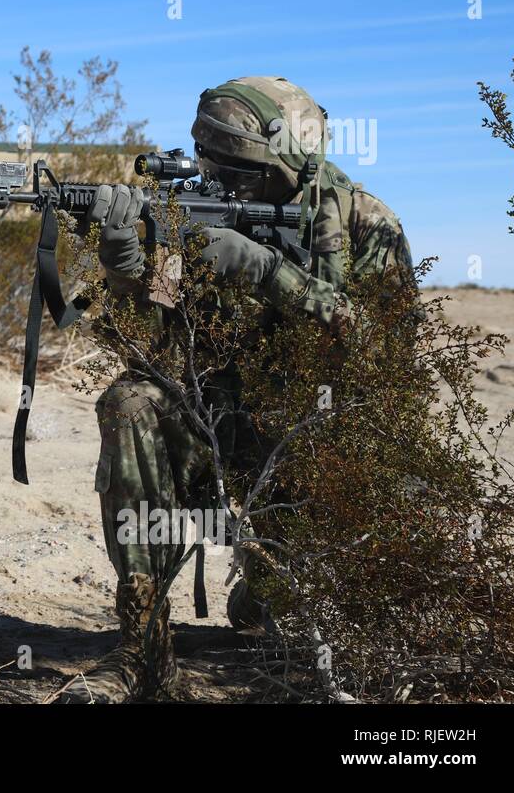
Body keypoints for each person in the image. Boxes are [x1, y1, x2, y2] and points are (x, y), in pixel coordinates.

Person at [83, 76, 413, 700]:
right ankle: (143, 648)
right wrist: (125, 267)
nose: (219, 179)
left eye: (239, 168)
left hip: (314, 432)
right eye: (212, 162)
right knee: (131, 401)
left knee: (286, 619)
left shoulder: (367, 225)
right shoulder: (199, 208)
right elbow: (153, 343)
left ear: (291, 158)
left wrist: (268, 273)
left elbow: (386, 356)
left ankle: (270, 586)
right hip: (217, 416)